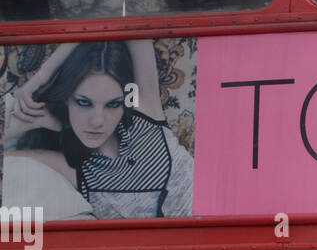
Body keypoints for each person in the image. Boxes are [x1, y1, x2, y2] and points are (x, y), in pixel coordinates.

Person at [2, 40, 192, 219]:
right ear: (66, 98)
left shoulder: (145, 110)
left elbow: (128, 15)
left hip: (216, 223)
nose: (97, 121)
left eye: (113, 104)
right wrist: (37, 120)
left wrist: (46, 72)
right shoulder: (72, 167)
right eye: (84, 103)